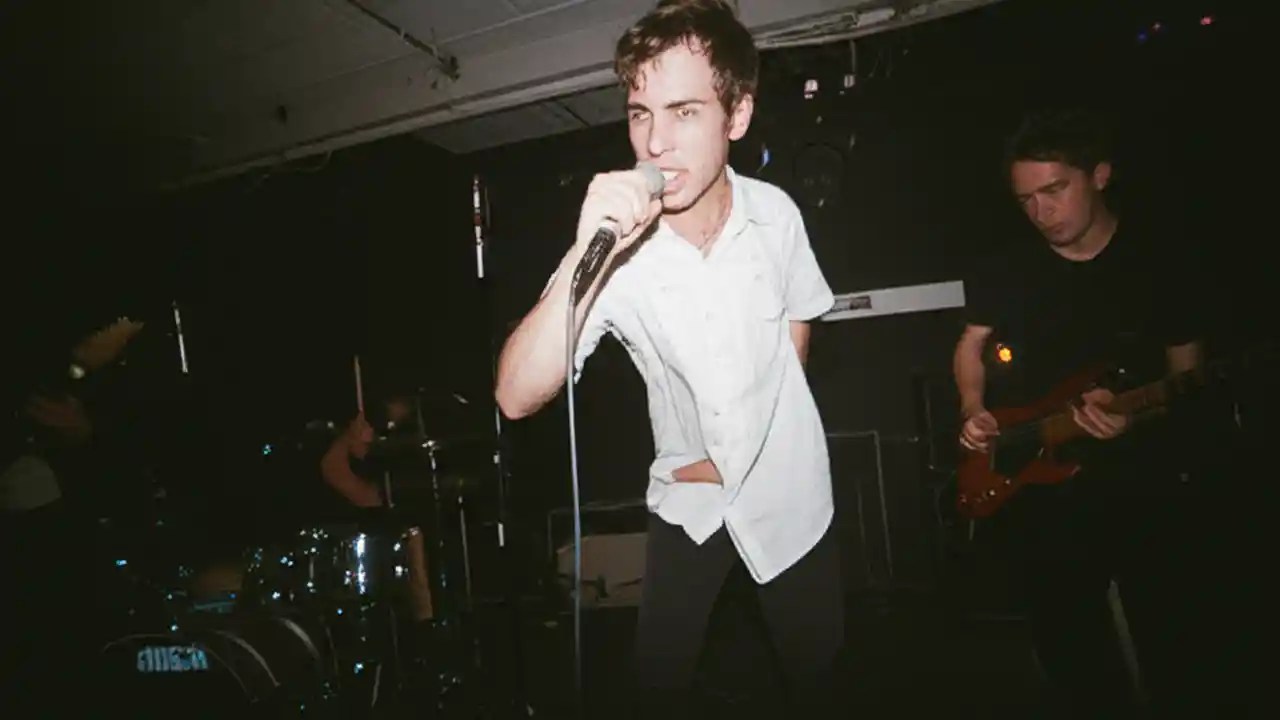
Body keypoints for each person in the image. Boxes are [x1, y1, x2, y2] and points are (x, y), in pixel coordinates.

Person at [494, 0, 843, 714]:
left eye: (683, 111)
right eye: (639, 113)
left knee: (820, 681)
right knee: (656, 685)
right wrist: (584, 255)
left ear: (736, 116)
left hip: (791, 498)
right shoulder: (618, 259)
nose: (654, 143)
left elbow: (799, 325)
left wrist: (757, 440)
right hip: (689, 502)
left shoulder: (777, 214)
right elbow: (514, 396)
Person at [953, 108, 1218, 717]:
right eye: (1026, 200)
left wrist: (1136, 418)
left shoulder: (1161, 260)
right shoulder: (1007, 267)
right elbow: (970, 345)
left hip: (1143, 475)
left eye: (1054, 190)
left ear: (1098, 175)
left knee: (1171, 632)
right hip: (1042, 481)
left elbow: (1188, 380)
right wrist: (973, 407)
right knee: (1067, 641)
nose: (1041, 212)